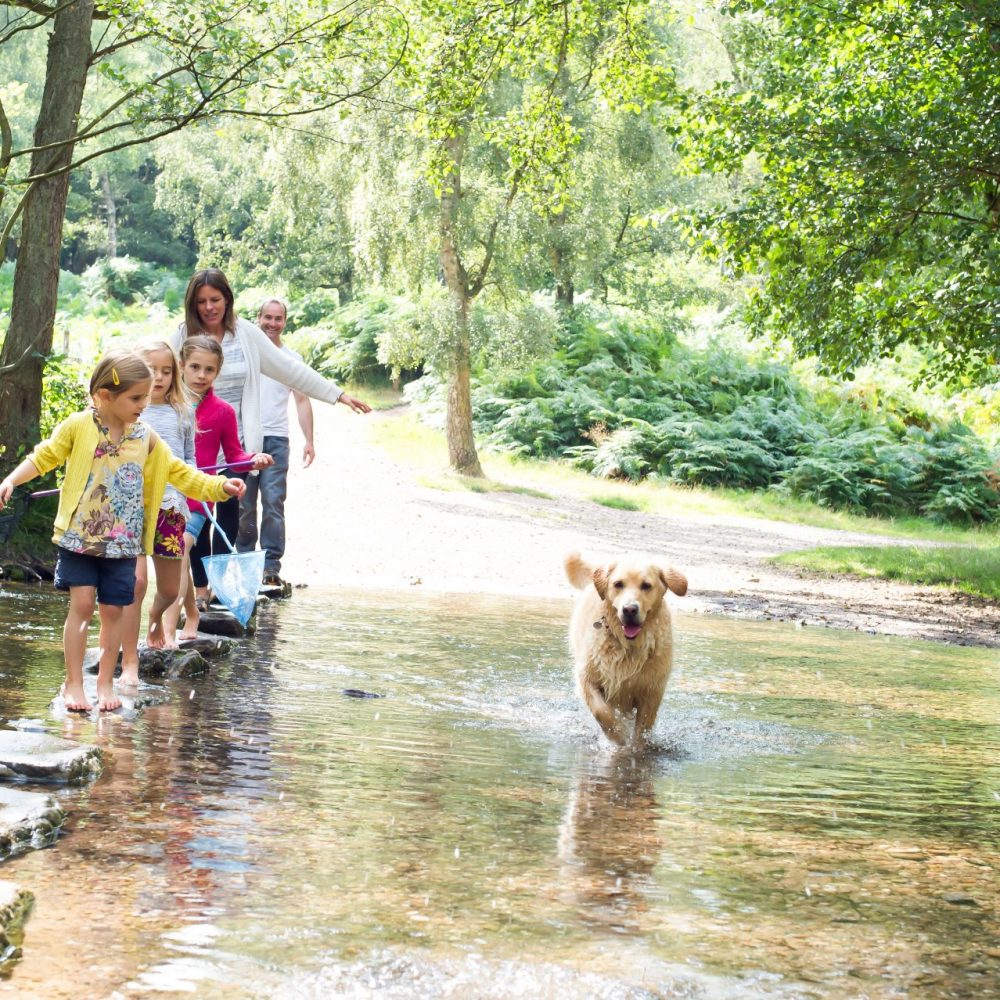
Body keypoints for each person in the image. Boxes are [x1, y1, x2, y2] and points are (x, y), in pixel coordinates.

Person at [0, 350, 244, 712]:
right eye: (135, 397)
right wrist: (11, 478)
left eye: (146, 396)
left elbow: (181, 474)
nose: (144, 404)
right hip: (80, 539)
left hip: (124, 546)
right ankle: (73, 684)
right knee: (82, 605)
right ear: (104, 396)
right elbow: (46, 455)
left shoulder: (145, 437)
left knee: (113, 611)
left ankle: (104, 684)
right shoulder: (78, 426)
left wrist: (218, 487)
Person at [167, 269, 370, 578]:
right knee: (197, 518)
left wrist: (337, 394)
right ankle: (200, 590)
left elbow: (290, 370)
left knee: (229, 518)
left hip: (237, 444)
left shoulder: (245, 334)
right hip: (195, 447)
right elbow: (156, 373)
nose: (209, 307)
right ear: (192, 304)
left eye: (215, 300)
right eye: (202, 301)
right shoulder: (182, 336)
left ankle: (220, 587)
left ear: (228, 300)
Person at [162, 336, 272, 640]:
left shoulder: (223, 411)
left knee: (180, 548)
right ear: (181, 366)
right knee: (175, 558)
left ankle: (169, 632)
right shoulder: (164, 406)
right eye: (194, 367)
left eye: (209, 370)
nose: (200, 375)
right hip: (162, 495)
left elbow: (234, 454)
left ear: (218, 372)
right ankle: (194, 610)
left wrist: (253, 459)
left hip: (197, 496)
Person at [119, 340, 195, 680]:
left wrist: (191, 493)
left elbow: (190, 459)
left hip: (171, 509)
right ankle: (131, 661)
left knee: (167, 590)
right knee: (135, 582)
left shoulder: (183, 412)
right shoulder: (133, 410)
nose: (160, 377)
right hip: (134, 508)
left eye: (166, 371)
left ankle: (154, 620)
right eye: (152, 371)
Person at [236, 298, 315, 587]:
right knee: (244, 503)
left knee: (273, 502)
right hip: (246, 439)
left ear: (285, 322)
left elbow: (302, 399)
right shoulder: (245, 355)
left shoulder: (291, 358)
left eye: (278, 318)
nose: (272, 323)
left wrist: (309, 440)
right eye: (267, 317)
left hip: (277, 439)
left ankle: (271, 567)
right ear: (258, 319)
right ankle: (244, 561)